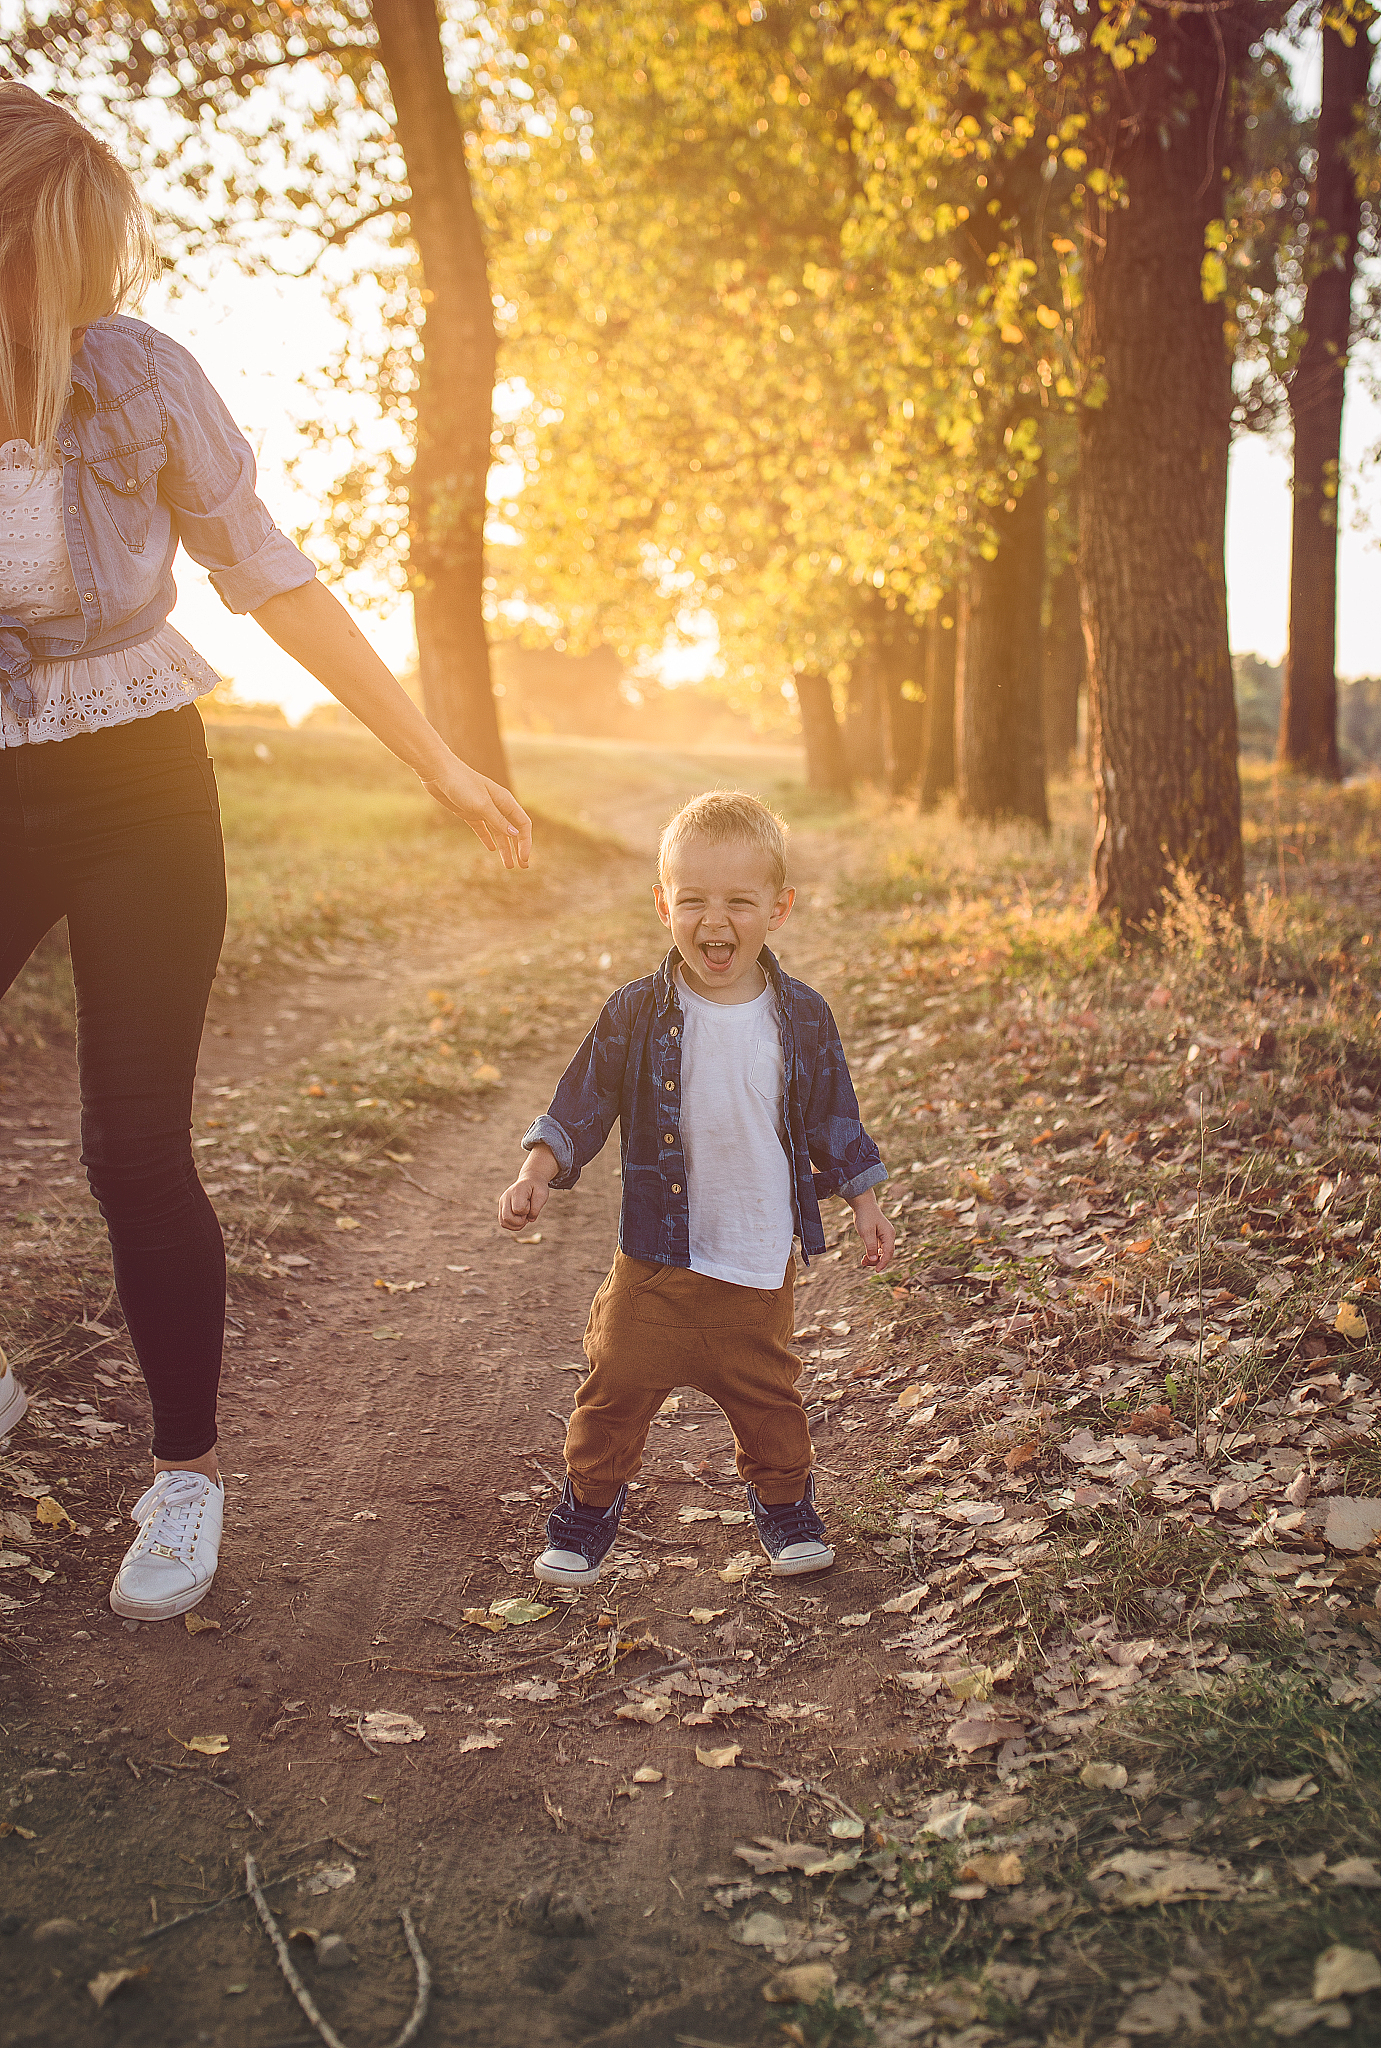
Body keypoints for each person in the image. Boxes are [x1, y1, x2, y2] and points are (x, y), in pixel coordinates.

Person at [0, 84, 532, 1623]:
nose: (85, 284)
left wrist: (431, 757)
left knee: (129, 1146)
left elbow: (275, 578)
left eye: (89, 253)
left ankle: (183, 1481)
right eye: (55, 248)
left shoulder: (143, 379)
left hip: (137, 787)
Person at [497, 790, 894, 1585]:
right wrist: (538, 1167)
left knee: (767, 1397)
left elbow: (832, 1117)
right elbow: (583, 1099)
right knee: (616, 1379)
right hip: (656, 1260)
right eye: (693, 902)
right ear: (662, 905)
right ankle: (588, 1503)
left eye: (738, 902)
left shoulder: (802, 1019)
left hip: (753, 1259)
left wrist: (864, 1199)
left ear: (777, 909)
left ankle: (783, 1503)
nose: (715, 922)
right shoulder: (637, 1014)